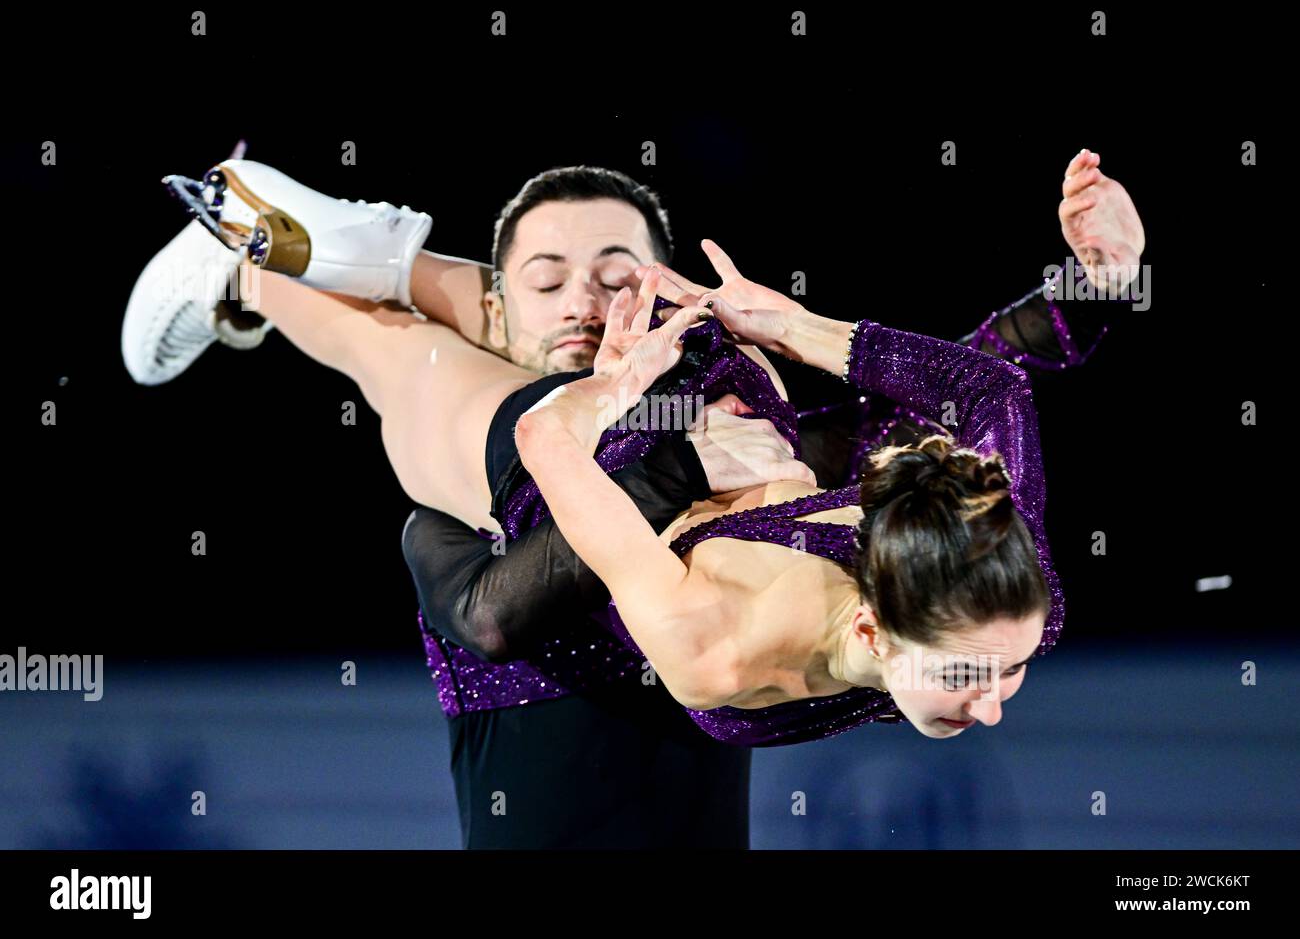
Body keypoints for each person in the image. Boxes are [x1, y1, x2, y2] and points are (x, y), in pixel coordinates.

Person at [121, 151, 1142, 841]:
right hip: (610, 471)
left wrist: (1102, 282)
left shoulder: (1001, 602)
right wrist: (779, 331)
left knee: (488, 362)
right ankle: (261, 266)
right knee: (406, 365)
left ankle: (349, 255)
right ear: (875, 630)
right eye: (979, 672)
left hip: (699, 443)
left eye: (1000, 668)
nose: (1004, 698)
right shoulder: (730, 635)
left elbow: (986, 388)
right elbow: (990, 383)